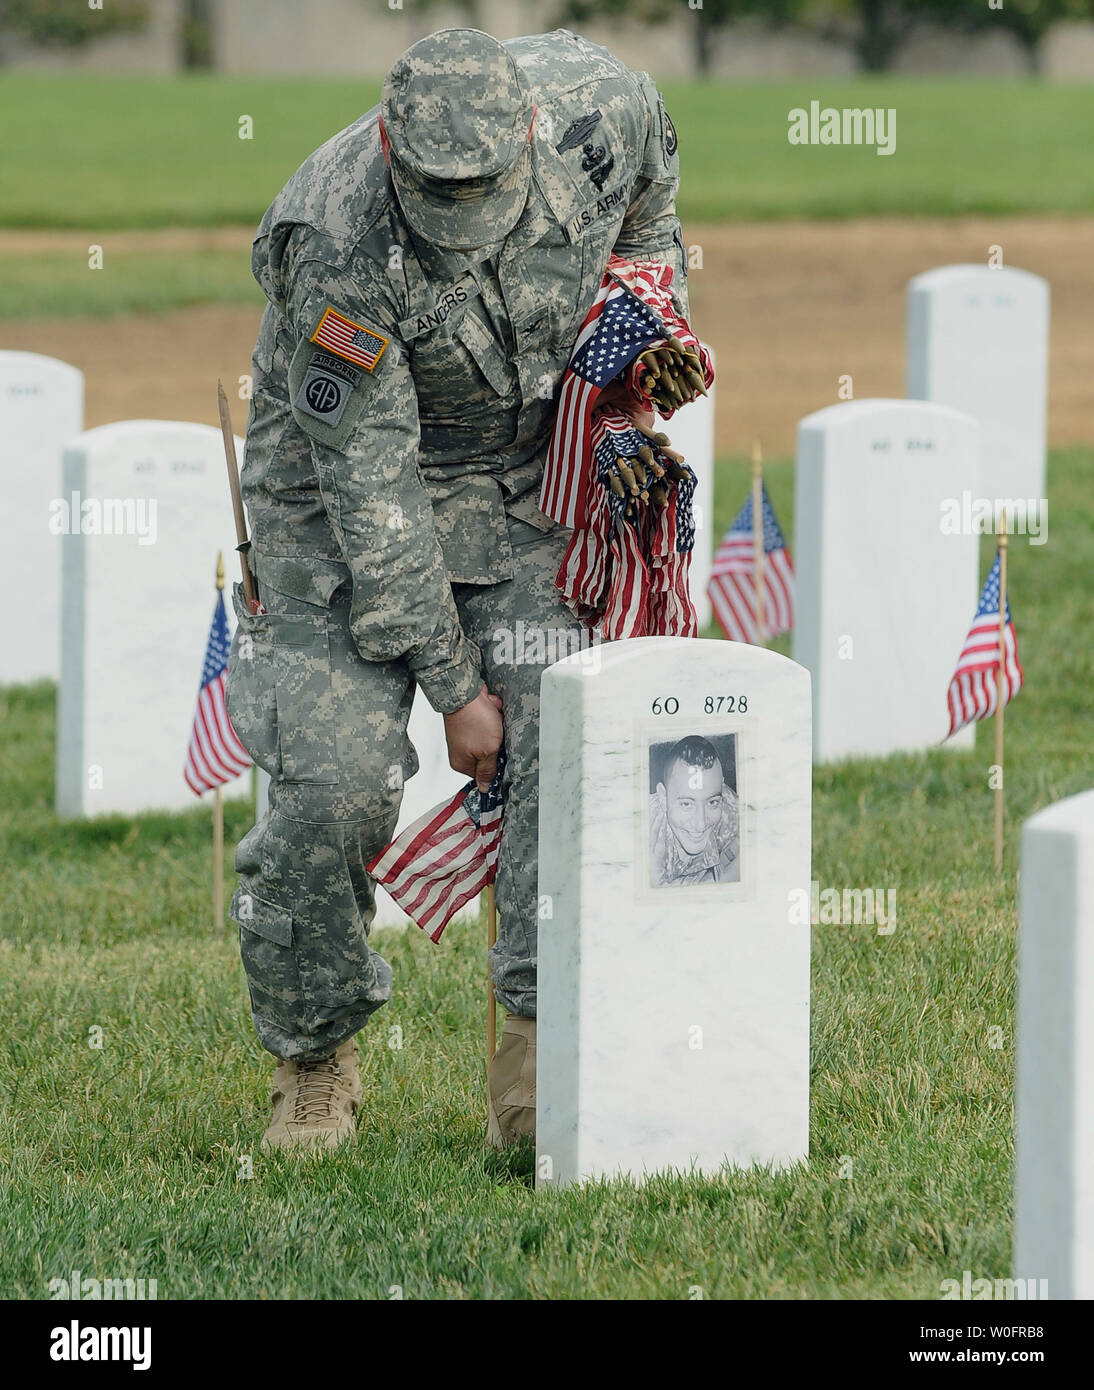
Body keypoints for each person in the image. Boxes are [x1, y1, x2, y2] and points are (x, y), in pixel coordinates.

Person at [225, 25, 689, 1151]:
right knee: (333, 781)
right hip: (336, 513)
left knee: (558, 740)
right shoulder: (331, 236)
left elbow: (652, 206)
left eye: (481, 185)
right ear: (390, 145)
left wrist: (640, 317)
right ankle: (314, 1054)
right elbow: (373, 490)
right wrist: (450, 686)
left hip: (520, 473)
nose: (458, 210)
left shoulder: (600, 112)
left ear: (527, 131)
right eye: (434, 188)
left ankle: (535, 1061)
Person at [649, 736, 740, 887]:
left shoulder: (728, 804)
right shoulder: (641, 830)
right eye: (686, 804)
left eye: (712, 802)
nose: (700, 824)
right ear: (663, 798)